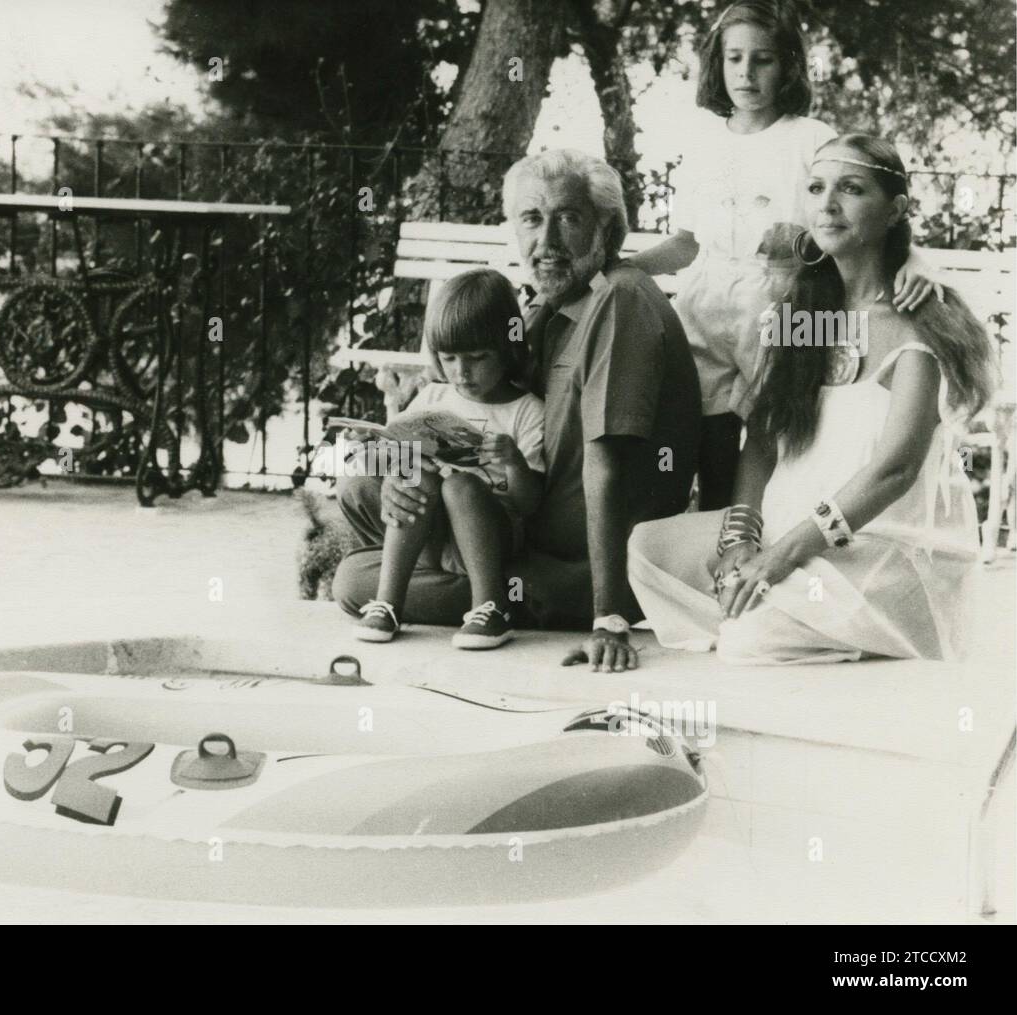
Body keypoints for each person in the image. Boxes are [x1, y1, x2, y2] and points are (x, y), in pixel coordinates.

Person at [628, 134, 997, 664]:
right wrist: (740, 536)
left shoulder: (921, 320)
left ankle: (805, 621)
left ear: (896, 210)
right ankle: (782, 611)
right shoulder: (806, 313)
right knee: (648, 549)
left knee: (747, 642)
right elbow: (761, 436)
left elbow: (895, 470)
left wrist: (779, 558)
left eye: (851, 189)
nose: (827, 204)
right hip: (787, 526)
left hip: (877, 544)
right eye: (817, 188)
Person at [334, 150, 701, 672]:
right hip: (514, 523)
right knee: (362, 490)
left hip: (572, 569)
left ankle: (467, 577)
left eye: (568, 219)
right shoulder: (561, 307)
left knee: (354, 582)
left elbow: (608, 465)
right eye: (531, 219)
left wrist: (609, 618)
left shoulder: (622, 302)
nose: (545, 242)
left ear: (608, 228)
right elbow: (477, 393)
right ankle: (449, 550)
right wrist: (402, 475)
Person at [627, 0, 939, 510]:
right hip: (706, 310)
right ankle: (699, 552)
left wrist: (914, 262)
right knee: (701, 441)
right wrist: (623, 267)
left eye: (763, 59)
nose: (746, 73)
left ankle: (762, 541)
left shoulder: (810, 138)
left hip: (786, 311)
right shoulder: (702, 141)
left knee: (772, 441)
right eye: (734, 58)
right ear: (717, 63)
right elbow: (686, 244)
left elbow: (856, 221)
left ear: (789, 63)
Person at [351, 269, 545, 649]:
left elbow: (530, 504)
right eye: (449, 358)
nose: (462, 372)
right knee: (414, 476)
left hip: (491, 537)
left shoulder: (526, 411)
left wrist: (514, 464)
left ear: (508, 348)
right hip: (432, 535)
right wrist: (394, 472)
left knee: (460, 485)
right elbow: (400, 459)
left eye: (477, 357)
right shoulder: (434, 399)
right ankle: (388, 604)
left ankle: (490, 607)